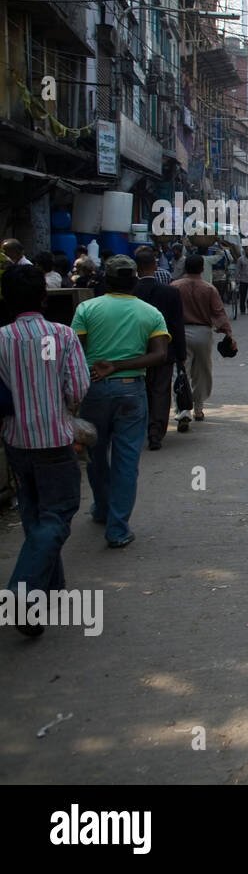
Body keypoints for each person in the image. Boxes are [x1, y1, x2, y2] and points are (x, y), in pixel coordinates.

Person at [0, 266, 90, 637]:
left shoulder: (1, 338)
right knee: (57, 515)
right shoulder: (62, 334)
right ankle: (21, 596)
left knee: (37, 518)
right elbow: (78, 388)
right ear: (43, 296)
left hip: (16, 441)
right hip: (54, 439)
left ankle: (46, 598)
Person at [71, 254, 170, 549]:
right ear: (135, 281)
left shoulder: (86, 308)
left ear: (107, 280)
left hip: (94, 389)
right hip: (131, 390)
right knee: (127, 461)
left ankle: (101, 508)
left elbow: (75, 351)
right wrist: (121, 365)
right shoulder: (150, 313)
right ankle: (117, 528)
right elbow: (160, 355)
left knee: (96, 454)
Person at [132, 247, 187, 450]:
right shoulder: (170, 293)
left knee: (142, 389)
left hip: (135, 352)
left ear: (136, 268)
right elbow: (176, 325)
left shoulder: (131, 293)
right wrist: (181, 354)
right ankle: (156, 432)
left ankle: (144, 427)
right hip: (165, 351)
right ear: (155, 266)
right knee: (161, 391)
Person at [172, 254, 234, 426]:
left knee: (181, 372)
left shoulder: (174, 287)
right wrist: (228, 334)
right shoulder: (209, 289)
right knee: (202, 372)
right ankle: (198, 408)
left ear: (185, 268)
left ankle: (182, 410)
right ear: (202, 269)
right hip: (203, 333)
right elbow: (219, 313)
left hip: (180, 333)